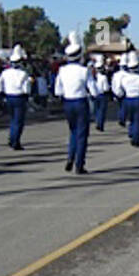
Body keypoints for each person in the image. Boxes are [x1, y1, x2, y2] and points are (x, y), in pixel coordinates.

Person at [54, 33, 92, 173]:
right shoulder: (84, 70)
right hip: (81, 101)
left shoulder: (62, 70)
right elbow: (92, 88)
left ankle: (71, 156)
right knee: (82, 134)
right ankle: (79, 164)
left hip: (67, 102)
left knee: (73, 131)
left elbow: (58, 90)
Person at [0, 44, 33, 150]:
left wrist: (1, 92)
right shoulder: (23, 74)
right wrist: (27, 95)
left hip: (8, 97)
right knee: (18, 120)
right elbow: (26, 88)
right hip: (19, 97)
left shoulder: (5, 73)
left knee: (12, 119)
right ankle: (15, 141)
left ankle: (12, 137)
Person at [113, 50, 139, 146]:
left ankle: (132, 132)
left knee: (132, 119)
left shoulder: (124, 78)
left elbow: (120, 90)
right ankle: (136, 138)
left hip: (128, 99)